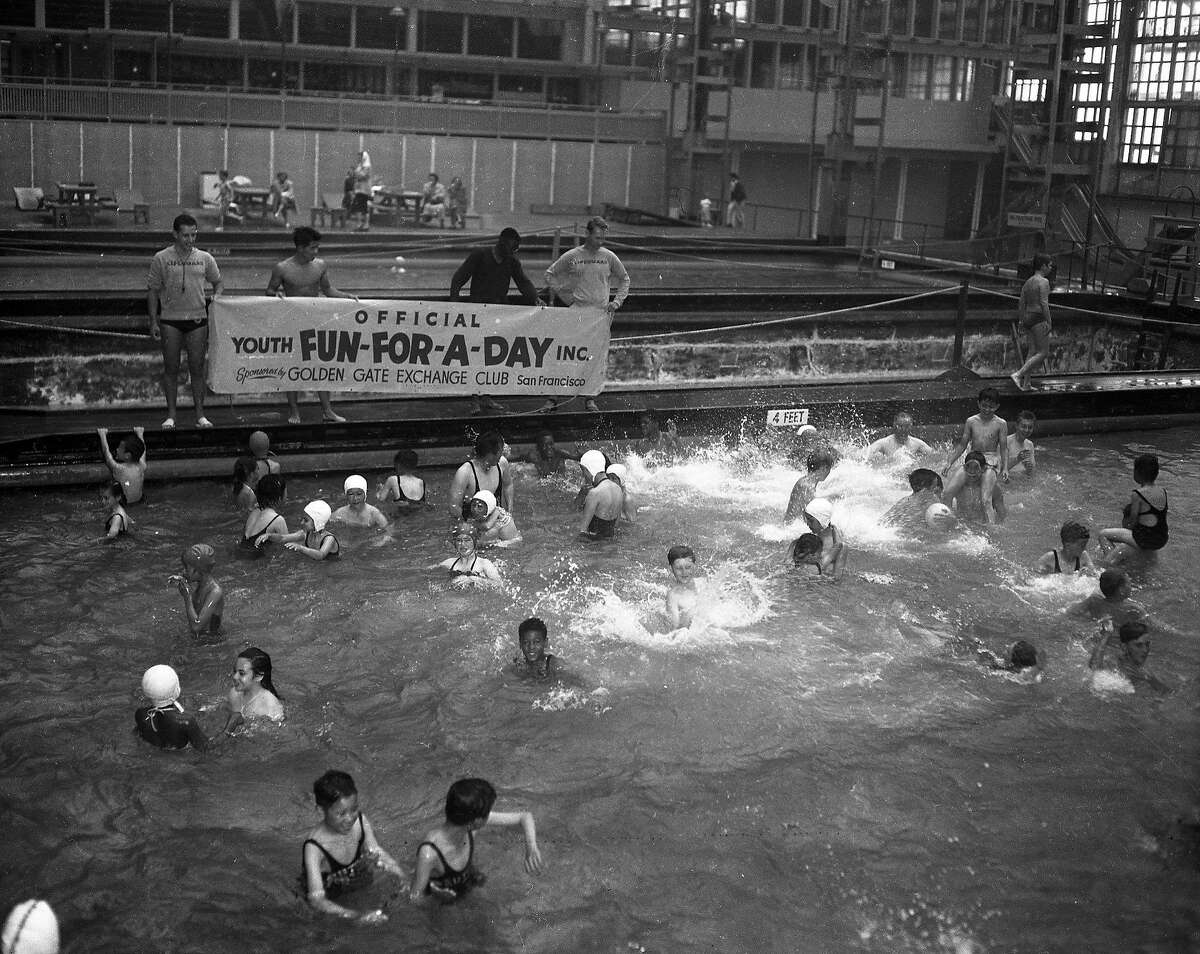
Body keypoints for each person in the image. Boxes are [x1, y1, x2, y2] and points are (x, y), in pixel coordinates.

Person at [268, 226, 359, 425]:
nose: (316, 252)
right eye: (312, 248)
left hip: (315, 322)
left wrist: (348, 297)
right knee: (291, 366)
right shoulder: (282, 268)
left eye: (317, 248)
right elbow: (270, 290)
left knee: (321, 365)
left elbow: (327, 289)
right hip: (291, 322)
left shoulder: (320, 266)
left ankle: (327, 410)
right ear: (300, 248)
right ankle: (294, 411)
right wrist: (277, 296)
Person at [542, 216, 630, 413]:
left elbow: (625, 279)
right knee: (564, 353)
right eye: (597, 237)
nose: (600, 241)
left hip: (600, 315)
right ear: (587, 234)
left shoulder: (608, 256)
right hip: (577, 312)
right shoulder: (573, 255)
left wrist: (616, 302)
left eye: (603, 238)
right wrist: (566, 297)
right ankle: (553, 397)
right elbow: (549, 274)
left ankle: (589, 398)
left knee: (595, 357)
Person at [449, 228, 539, 414]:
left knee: (493, 356)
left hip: (498, 315)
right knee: (475, 355)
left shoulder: (512, 261)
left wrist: (535, 298)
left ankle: (487, 396)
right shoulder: (479, 255)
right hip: (478, 313)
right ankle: (474, 398)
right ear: (501, 242)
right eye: (509, 247)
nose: (510, 252)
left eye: (514, 250)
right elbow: (458, 279)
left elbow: (523, 282)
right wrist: (454, 306)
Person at [408, 778, 542, 903]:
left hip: (469, 880)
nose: (489, 814)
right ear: (477, 821)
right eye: (488, 812)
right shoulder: (429, 853)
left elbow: (524, 817)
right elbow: (414, 899)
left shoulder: (470, 827)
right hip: (443, 900)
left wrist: (531, 846)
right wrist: (437, 895)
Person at [147, 213, 222, 429]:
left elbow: (218, 282)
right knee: (171, 367)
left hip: (197, 320)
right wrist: (153, 321)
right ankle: (171, 415)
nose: (190, 240)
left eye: (193, 235)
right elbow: (152, 291)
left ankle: (200, 414)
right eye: (186, 236)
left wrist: (217, 296)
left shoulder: (205, 258)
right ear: (175, 234)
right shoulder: (161, 257)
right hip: (170, 320)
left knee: (197, 367)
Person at [302, 770, 405, 922]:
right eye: (341, 813)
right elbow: (317, 899)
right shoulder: (314, 848)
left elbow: (376, 852)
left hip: (355, 882)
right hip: (331, 898)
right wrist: (357, 916)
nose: (350, 818)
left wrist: (401, 875)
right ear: (321, 810)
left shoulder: (360, 821)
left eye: (354, 809)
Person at [941, 387, 1008, 524]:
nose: (987, 409)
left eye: (991, 407)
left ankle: (991, 531)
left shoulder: (1001, 424)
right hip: (972, 460)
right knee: (947, 493)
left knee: (985, 499)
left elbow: (1004, 448)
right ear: (978, 404)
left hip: (990, 462)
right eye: (984, 405)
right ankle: (947, 523)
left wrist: (1005, 468)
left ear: (997, 406)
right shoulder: (971, 421)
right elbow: (962, 445)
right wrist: (949, 462)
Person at [1098, 453, 1168, 560]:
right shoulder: (1163, 491)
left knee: (1103, 534)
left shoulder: (1137, 494)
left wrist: (1126, 536)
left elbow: (1133, 521)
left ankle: (1110, 560)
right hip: (1161, 539)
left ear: (1137, 473)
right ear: (1156, 473)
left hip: (1144, 540)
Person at [135, 664, 209, 751]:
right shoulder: (186, 722)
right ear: (177, 691)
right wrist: (229, 726)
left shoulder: (141, 714)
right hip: (180, 759)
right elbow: (206, 748)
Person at [448, 431, 514, 521]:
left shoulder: (502, 463)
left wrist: (509, 511)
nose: (502, 452)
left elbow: (508, 485)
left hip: (493, 521)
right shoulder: (465, 472)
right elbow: (454, 506)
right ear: (490, 454)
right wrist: (463, 524)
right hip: (471, 523)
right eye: (500, 450)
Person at [1011, 252, 1054, 391]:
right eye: (1050, 265)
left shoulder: (1028, 282)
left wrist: (1021, 321)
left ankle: (1026, 383)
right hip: (1038, 317)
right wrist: (1049, 321)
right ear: (1043, 266)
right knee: (1043, 352)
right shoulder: (1044, 281)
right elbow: (1043, 303)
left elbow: (1021, 303)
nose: (1051, 268)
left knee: (1032, 350)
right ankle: (1018, 375)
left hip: (1028, 318)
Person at [1089, 620, 1169, 692]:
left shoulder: (1145, 675)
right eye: (1138, 645)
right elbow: (1095, 669)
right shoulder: (1114, 664)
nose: (1145, 650)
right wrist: (1106, 635)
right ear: (1124, 647)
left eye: (1147, 644)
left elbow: (1167, 693)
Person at [169, 543, 224, 641]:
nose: (184, 571)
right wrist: (182, 580)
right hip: (200, 639)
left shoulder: (215, 592)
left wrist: (187, 597)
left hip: (211, 642)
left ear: (198, 570)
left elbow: (196, 626)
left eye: (187, 568)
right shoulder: (201, 584)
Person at [222, 646, 284, 734]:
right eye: (234, 671)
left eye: (241, 673)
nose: (235, 677)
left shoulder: (271, 707)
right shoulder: (234, 694)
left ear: (259, 676)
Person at [268, 500, 340, 561]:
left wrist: (301, 548)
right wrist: (269, 535)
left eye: (306, 520)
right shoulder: (305, 533)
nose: (301, 522)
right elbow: (282, 538)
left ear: (317, 522)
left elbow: (321, 555)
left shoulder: (329, 539)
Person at [437, 525, 501, 590]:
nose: (463, 544)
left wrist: (474, 579)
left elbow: (499, 584)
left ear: (474, 542)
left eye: (467, 540)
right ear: (455, 543)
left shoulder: (484, 564)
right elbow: (428, 572)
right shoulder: (449, 563)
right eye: (459, 540)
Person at [96, 426, 146, 504]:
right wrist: (140, 433)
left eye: (120, 448)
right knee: (126, 484)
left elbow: (107, 454)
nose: (117, 449)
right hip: (139, 501)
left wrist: (102, 435)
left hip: (123, 504)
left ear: (127, 455)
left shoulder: (119, 469)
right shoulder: (142, 465)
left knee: (106, 489)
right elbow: (143, 452)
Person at [241, 474, 288, 556]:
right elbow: (287, 549)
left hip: (241, 553)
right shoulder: (278, 520)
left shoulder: (254, 512)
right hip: (256, 562)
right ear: (280, 496)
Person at [785, 448, 834, 522]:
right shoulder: (807, 487)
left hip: (792, 527)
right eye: (829, 468)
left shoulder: (806, 481)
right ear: (823, 469)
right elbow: (812, 518)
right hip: (792, 529)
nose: (829, 472)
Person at [579, 462, 624, 539]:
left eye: (584, 472)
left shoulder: (594, 493)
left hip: (593, 544)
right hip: (610, 541)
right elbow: (616, 525)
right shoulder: (619, 490)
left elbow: (582, 531)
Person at [945, 451, 993, 523]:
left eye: (976, 467)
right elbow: (947, 497)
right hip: (962, 523)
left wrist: (992, 527)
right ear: (964, 468)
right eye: (968, 467)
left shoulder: (993, 488)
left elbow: (1001, 512)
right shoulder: (959, 485)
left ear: (983, 469)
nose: (972, 471)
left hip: (981, 524)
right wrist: (950, 518)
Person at [509, 430, 580, 478]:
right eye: (545, 445)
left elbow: (577, 457)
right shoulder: (534, 456)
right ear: (539, 447)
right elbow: (516, 458)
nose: (549, 448)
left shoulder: (560, 454)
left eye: (551, 444)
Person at [866, 412, 932, 463]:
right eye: (900, 426)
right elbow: (865, 456)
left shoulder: (917, 444)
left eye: (906, 426)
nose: (903, 430)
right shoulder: (884, 443)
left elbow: (934, 456)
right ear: (894, 426)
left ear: (911, 427)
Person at [665, 544, 700, 630]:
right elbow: (676, 628)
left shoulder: (703, 583)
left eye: (688, 567)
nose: (684, 572)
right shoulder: (673, 596)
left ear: (694, 565)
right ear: (671, 569)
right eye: (678, 568)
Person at [1007, 410, 1037, 478]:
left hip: (1023, 480)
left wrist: (1029, 468)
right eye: (1023, 426)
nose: (1026, 430)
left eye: (1030, 427)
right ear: (1016, 425)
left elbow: (1032, 471)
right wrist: (1017, 459)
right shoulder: (1006, 442)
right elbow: (998, 469)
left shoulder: (1030, 444)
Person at [350, 150, 372, 232]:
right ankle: (364, 224)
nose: (358, 158)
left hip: (364, 190)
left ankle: (361, 224)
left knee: (360, 207)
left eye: (360, 156)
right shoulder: (360, 165)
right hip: (359, 189)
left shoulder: (367, 166)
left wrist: (355, 172)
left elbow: (363, 176)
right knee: (362, 207)